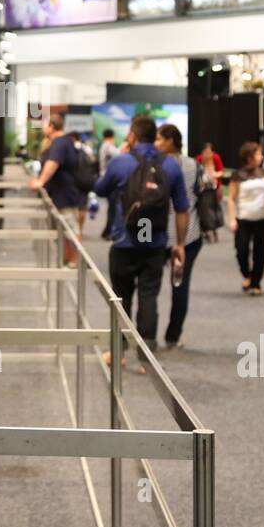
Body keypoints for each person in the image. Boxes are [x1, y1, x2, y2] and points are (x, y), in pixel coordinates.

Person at [94, 115, 190, 371]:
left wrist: (121, 160)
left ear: (133, 136)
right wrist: (180, 243)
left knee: (121, 298)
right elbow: (182, 208)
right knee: (149, 297)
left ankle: (118, 352)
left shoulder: (121, 161)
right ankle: (146, 358)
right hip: (155, 244)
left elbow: (100, 189)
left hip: (124, 242)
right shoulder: (170, 166)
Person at [156, 124, 204, 348]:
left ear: (169, 140)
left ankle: (145, 333)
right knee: (180, 285)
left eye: (159, 139)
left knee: (150, 286)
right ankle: (173, 337)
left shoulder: (155, 165)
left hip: (158, 233)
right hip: (188, 234)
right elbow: (200, 192)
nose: (156, 143)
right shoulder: (194, 164)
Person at [27, 113, 83, 266]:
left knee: (70, 229)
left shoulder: (60, 143)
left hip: (64, 195)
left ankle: (74, 260)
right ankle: (68, 259)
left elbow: (53, 163)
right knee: (64, 229)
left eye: (45, 124)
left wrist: (40, 181)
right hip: (62, 194)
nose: (43, 128)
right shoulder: (64, 141)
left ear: (52, 126)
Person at [226, 141, 264, 295]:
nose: (261, 156)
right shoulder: (238, 175)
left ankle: (256, 282)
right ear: (249, 156)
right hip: (243, 217)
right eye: (258, 153)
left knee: (261, 251)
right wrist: (232, 219)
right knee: (241, 249)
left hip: (262, 217)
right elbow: (231, 198)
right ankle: (246, 274)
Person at [197, 143, 225, 241]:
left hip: (214, 189)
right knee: (204, 212)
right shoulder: (199, 159)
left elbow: (221, 172)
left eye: (210, 152)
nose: (209, 154)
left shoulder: (215, 158)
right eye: (206, 152)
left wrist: (213, 174)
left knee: (215, 210)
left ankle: (214, 230)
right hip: (203, 190)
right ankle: (206, 231)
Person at [98, 129, 120, 239]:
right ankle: (109, 232)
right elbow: (119, 155)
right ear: (112, 136)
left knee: (112, 207)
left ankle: (107, 231)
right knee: (113, 207)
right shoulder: (108, 146)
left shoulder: (103, 146)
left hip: (105, 180)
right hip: (110, 181)